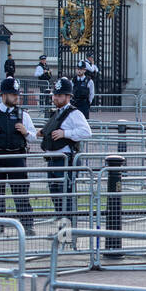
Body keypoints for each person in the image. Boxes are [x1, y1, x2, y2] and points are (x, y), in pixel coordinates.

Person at [0, 76, 37, 235]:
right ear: (3, 95)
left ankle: (27, 224)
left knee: (21, 191)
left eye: (17, 94)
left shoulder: (23, 114)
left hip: (16, 157)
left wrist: (26, 132)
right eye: (12, 94)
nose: (16, 97)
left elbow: (33, 136)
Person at [39, 77, 93, 218]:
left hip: (65, 160)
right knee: (56, 196)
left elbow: (86, 132)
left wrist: (65, 133)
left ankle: (68, 233)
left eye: (59, 95)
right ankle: (62, 230)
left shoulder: (74, 113)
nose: (55, 98)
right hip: (53, 159)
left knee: (65, 197)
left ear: (68, 97)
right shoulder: (57, 113)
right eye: (55, 95)